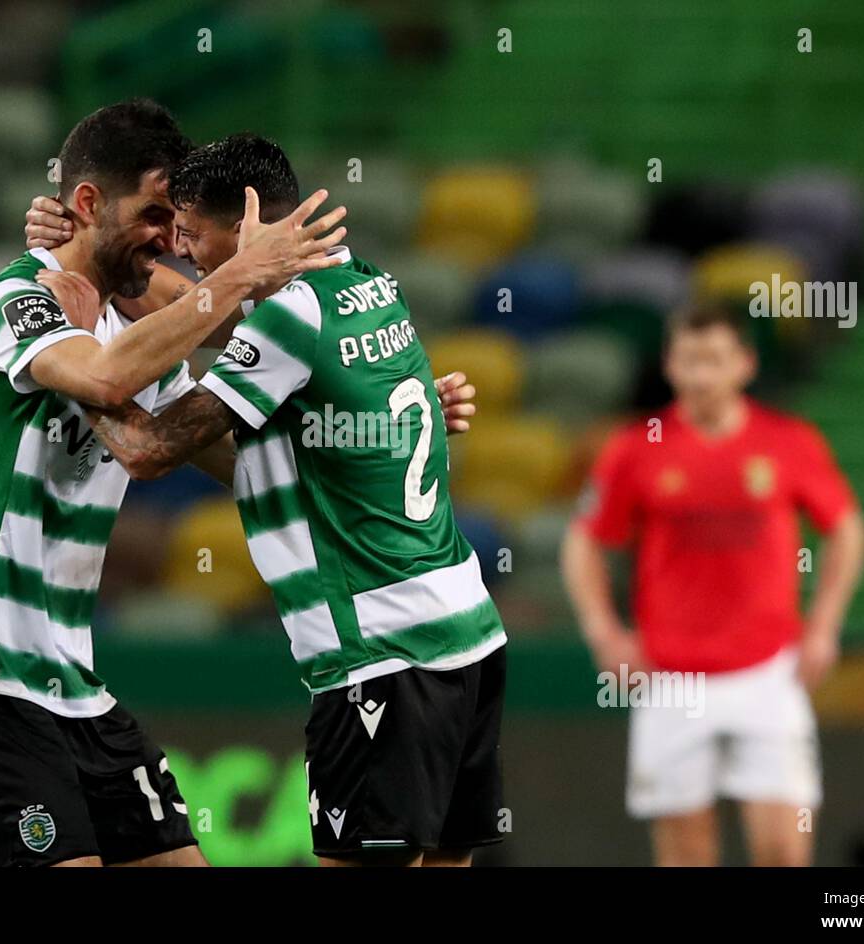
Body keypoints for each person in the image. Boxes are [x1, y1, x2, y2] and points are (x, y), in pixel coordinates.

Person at [0, 99, 351, 867]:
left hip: (72, 686)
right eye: (154, 214)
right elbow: (103, 381)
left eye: (178, 222)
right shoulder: (15, 302)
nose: (171, 240)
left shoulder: (132, 336)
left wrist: (375, 420)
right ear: (86, 203)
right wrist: (240, 273)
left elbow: (234, 459)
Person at [27, 133, 505, 867]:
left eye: (191, 234)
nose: (183, 252)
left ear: (248, 220)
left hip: (379, 650)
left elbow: (151, 449)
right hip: (466, 635)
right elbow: (204, 312)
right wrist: (85, 246)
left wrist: (75, 360)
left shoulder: (290, 319)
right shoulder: (370, 282)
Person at [561, 301, 864, 866]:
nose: (702, 375)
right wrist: (604, 632)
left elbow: (846, 530)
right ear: (670, 365)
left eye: (715, 359)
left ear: (745, 364)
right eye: (689, 359)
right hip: (670, 676)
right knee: (686, 853)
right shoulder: (635, 448)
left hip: (769, 670)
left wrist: (824, 626)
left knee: (782, 850)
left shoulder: (787, 442)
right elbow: (583, 541)